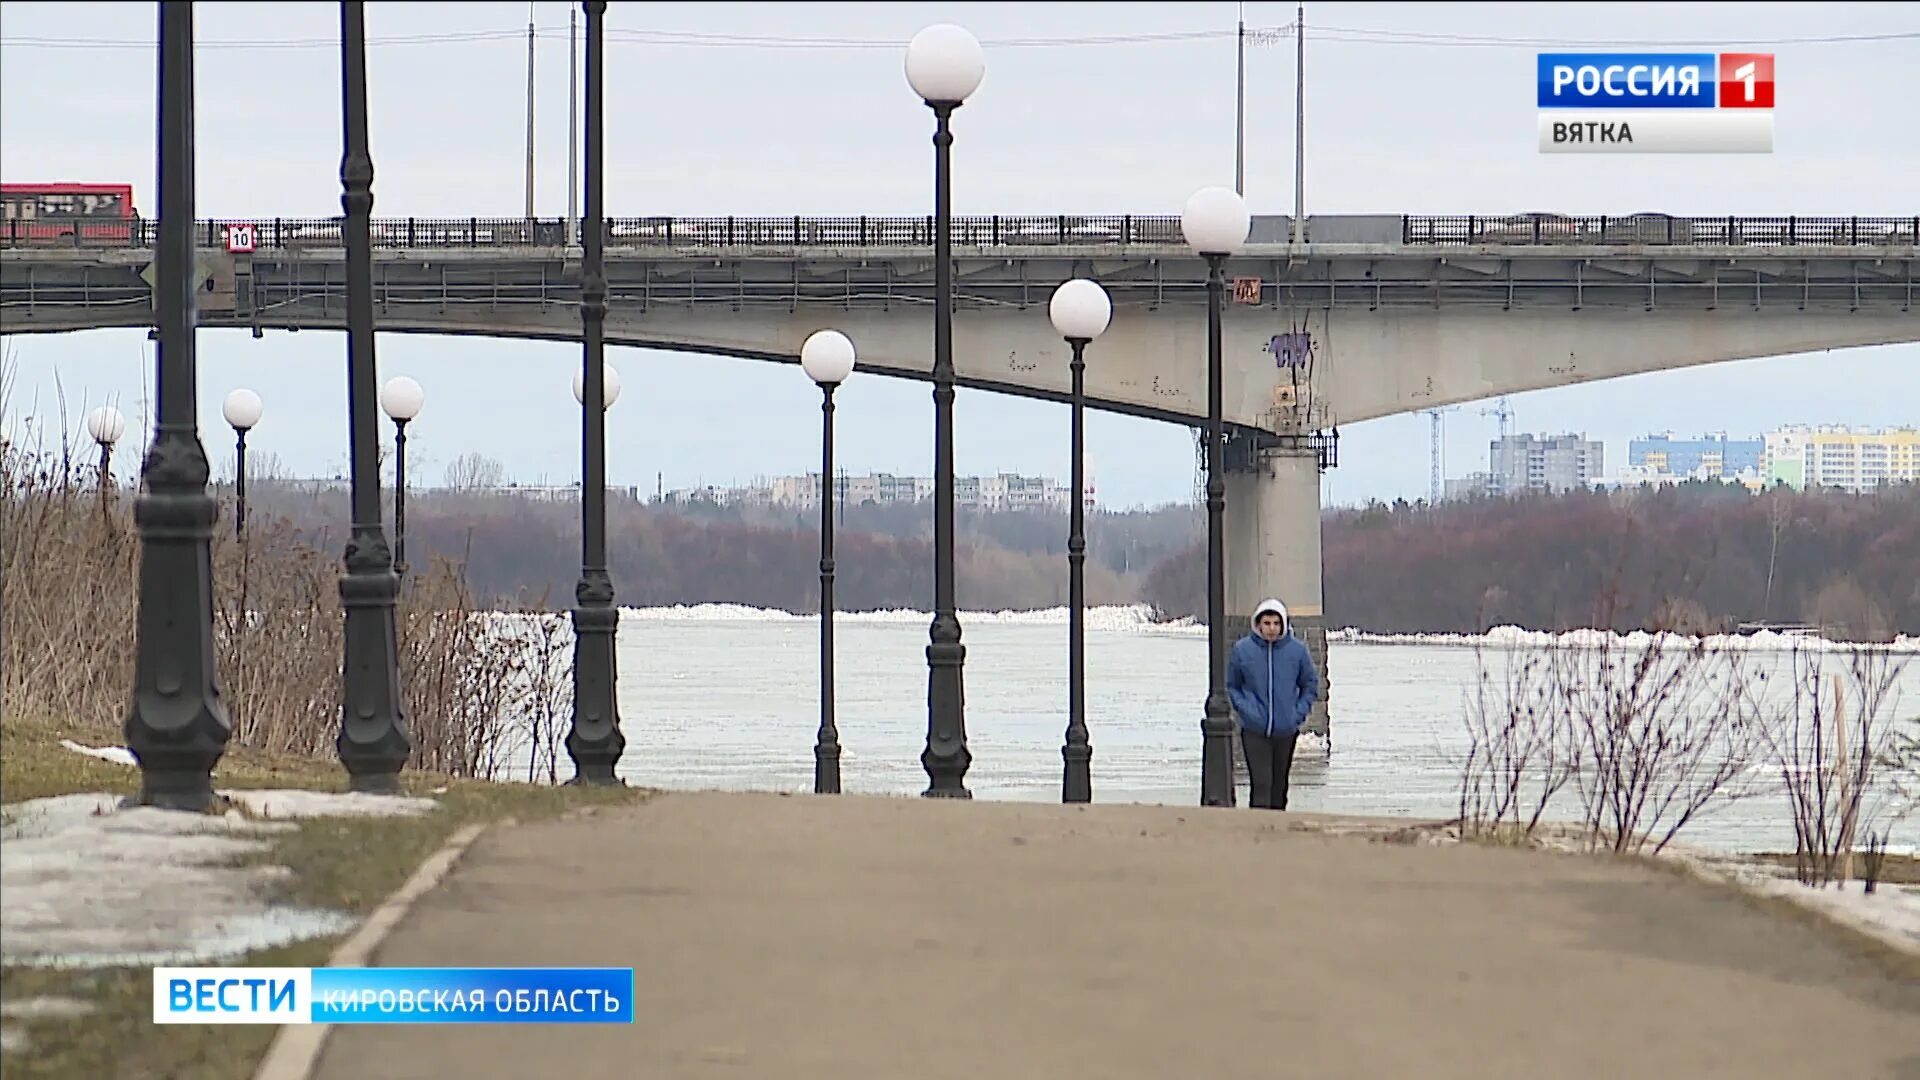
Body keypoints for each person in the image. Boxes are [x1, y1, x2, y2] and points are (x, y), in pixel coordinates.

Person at [1227, 597, 1319, 810]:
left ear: (1283, 625)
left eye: (1276, 624)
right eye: (1267, 623)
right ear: (1258, 624)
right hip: (1254, 730)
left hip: (1285, 730)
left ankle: (1277, 830)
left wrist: (1297, 713)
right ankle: (1259, 830)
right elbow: (1233, 685)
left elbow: (1310, 684)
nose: (1271, 629)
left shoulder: (1297, 651)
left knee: (1279, 787)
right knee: (1261, 785)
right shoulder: (1243, 650)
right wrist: (1246, 710)